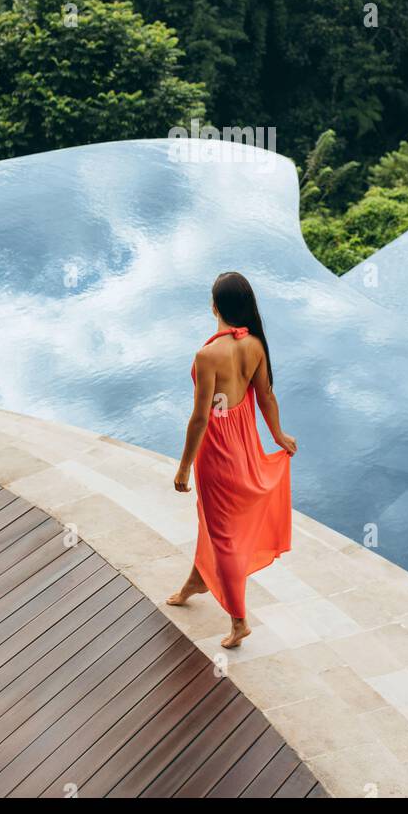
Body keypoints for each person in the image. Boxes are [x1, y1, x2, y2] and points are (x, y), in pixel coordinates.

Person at [168, 271, 297, 648]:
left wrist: (184, 466)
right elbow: (266, 397)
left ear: (214, 306)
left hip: (218, 451)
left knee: (222, 534)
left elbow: (201, 417)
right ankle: (196, 579)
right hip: (244, 444)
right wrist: (278, 435)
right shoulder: (255, 344)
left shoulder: (208, 355)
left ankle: (239, 621)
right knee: (210, 518)